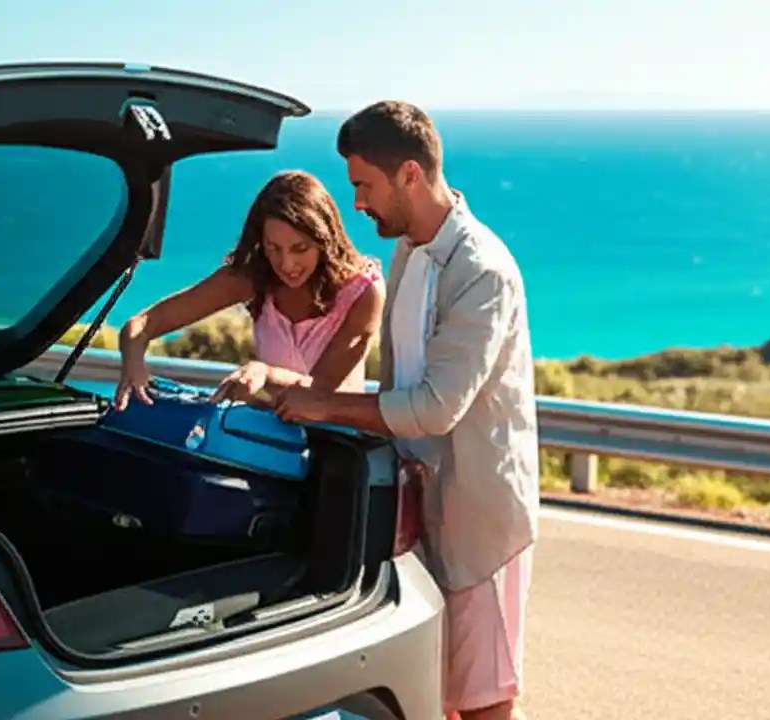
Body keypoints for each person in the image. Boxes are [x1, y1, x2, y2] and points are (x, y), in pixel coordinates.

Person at [272, 101, 540, 720]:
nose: (357, 203)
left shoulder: (482, 271)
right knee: (436, 701)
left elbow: (438, 406)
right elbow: (403, 383)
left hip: (478, 525)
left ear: (411, 175)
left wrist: (323, 404)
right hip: (420, 515)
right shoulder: (410, 253)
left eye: (364, 186)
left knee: (485, 707)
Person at [114, 170, 384, 411]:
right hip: (268, 440)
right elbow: (142, 324)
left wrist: (264, 374)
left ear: (324, 240)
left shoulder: (363, 292)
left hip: (338, 448)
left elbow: (319, 392)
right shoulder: (253, 276)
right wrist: (134, 366)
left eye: (300, 249)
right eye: (273, 248)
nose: (286, 264)